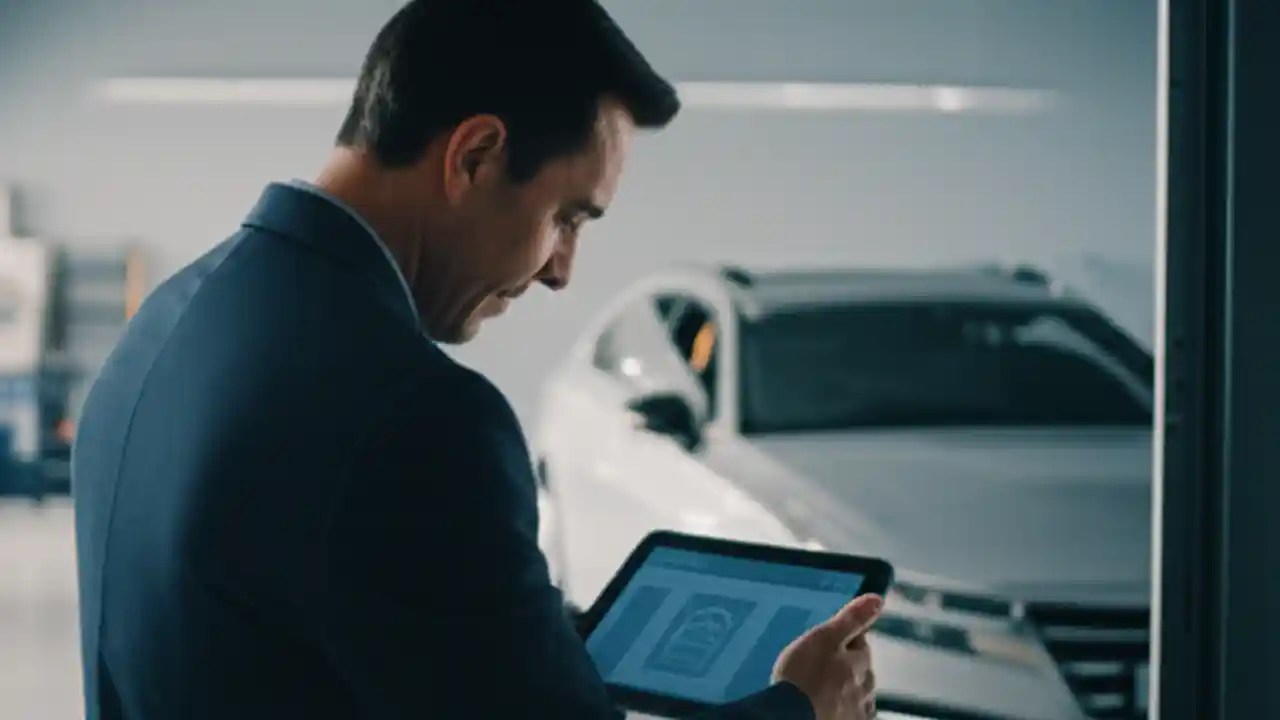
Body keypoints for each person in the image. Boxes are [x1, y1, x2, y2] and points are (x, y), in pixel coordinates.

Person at [71, 1, 883, 718]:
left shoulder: (168, 320)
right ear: (475, 156)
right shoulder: (420, 417)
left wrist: (517, 626)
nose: (563, 270)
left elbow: (312, 609)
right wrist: (800, 710)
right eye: (567, 216)